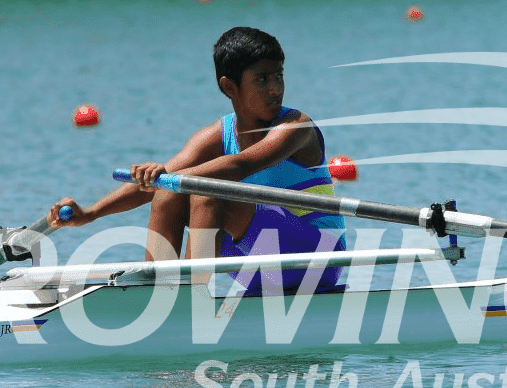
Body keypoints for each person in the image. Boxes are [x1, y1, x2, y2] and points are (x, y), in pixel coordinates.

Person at [49, 26, 346, 293]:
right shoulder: (216, 135)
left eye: (279, 76)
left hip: (317, 260)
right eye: (262, 79)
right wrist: (90, 213)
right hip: (260, 263)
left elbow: (241, 165)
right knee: (168, 194)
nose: (275, 89)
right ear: (230, 87)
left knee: (206, 191)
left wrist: (168, 175)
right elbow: (158, 183)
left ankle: (189, 299)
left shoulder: (295, 128)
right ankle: (158, 292)